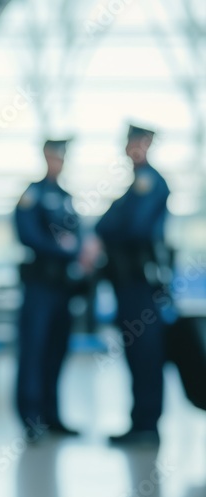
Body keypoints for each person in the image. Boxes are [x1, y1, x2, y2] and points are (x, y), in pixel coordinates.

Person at [95, 124, 170, 446]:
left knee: (146, 355)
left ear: (148, 144)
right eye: (130, 142)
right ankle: (140, 422)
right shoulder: (133, 186)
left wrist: (108, 229)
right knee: (135, 354)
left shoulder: (149, 182)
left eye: (140, 142)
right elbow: (105, 224)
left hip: (141, 285)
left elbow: (134, 228)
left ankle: (147, 426)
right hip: (127, 285)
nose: (133, 147)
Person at [14, 139, 83, 439]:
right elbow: (27, 235)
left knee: (57, 350)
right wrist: (63, 249)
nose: (58, 161)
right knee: (35, 350)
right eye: (54, 155)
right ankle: (31, 418)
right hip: (39, 286)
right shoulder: (33, 194)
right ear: (45, 156)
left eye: (62, 157)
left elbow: (79, 236)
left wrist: (73, 249)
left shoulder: (67, 197)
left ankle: (52, 416)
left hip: (63, 288)